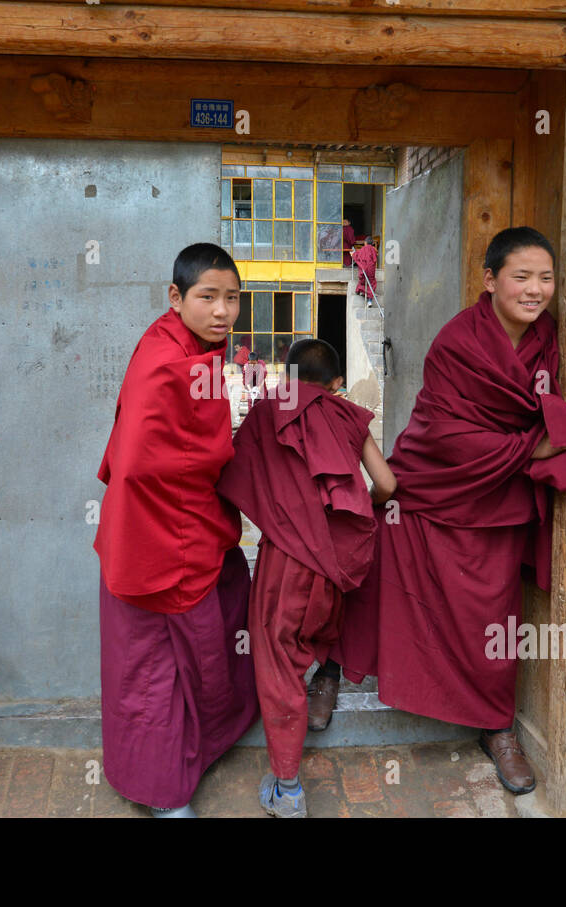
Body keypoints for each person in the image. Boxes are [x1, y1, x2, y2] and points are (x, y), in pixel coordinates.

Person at [335, 226, 566, 795]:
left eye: (546, 279)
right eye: (522, 277)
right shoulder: (459, 341)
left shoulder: (551, 337)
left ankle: (495, 727)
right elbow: (445, 433)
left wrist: (533, 442)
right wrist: (530, 445)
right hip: (435, 487)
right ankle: (334, 667)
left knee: (493, 623)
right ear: (491, 280)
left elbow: (548, 410)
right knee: (378, 558)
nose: (535, 290)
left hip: (500, 503)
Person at [93, 242, 258, 818]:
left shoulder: (189, 347)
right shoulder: (168, 361)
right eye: (207, 297)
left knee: (229, 604)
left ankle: (205, 743)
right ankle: (163, 794)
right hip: (154, 542)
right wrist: (225, 441)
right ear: (176, 298)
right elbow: (141, 462)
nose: (222, 312)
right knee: (153, 672)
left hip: (180, 526)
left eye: (232, 299)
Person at [218, 338, 396, 817]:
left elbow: (230, 474)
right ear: (337, 384)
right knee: (306, 640)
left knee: (277, 662)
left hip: (285, 561)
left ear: (287, 380)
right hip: (336, 565)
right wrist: (355, 509)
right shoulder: (346, 417)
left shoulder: (266, 413)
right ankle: (320, 689)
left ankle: (288, 784)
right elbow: (389, 485)